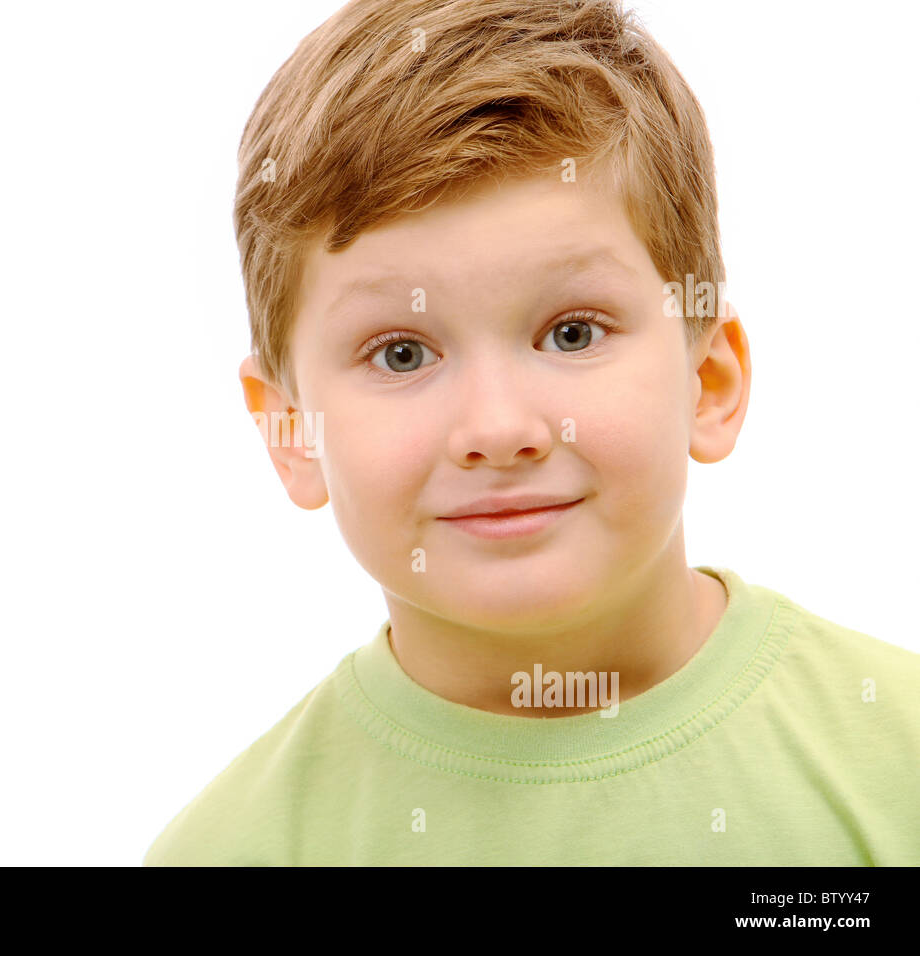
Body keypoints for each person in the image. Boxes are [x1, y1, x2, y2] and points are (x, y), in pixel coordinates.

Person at [144, 0, 920, 865]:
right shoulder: (235, 851)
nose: (498, 429)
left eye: (573, 333)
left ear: (709, 380)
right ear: (291, 429)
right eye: (401, 354)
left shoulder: (899, 761)